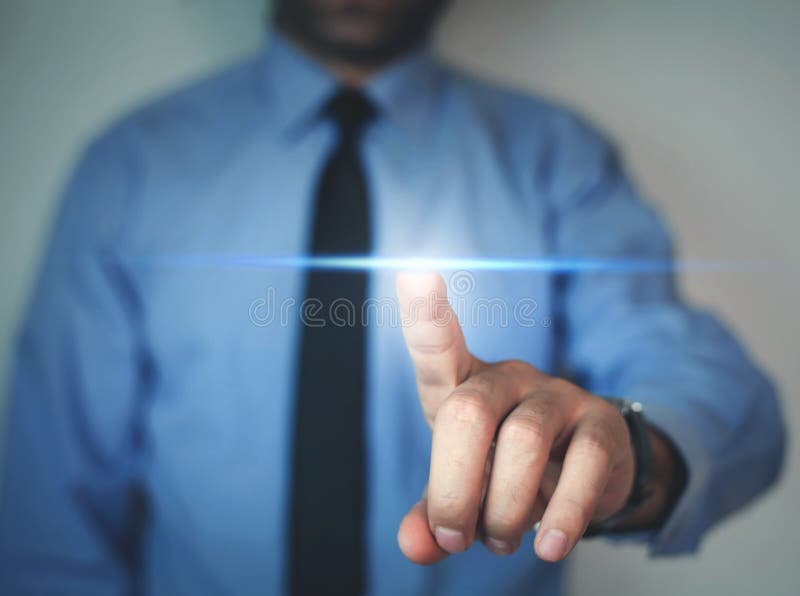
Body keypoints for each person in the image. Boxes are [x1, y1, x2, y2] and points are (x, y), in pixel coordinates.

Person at [0, 0, 786, 594]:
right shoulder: (131, 167)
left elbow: (714, 392)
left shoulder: (555, 158)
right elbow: (48, 514)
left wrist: (628, 458)